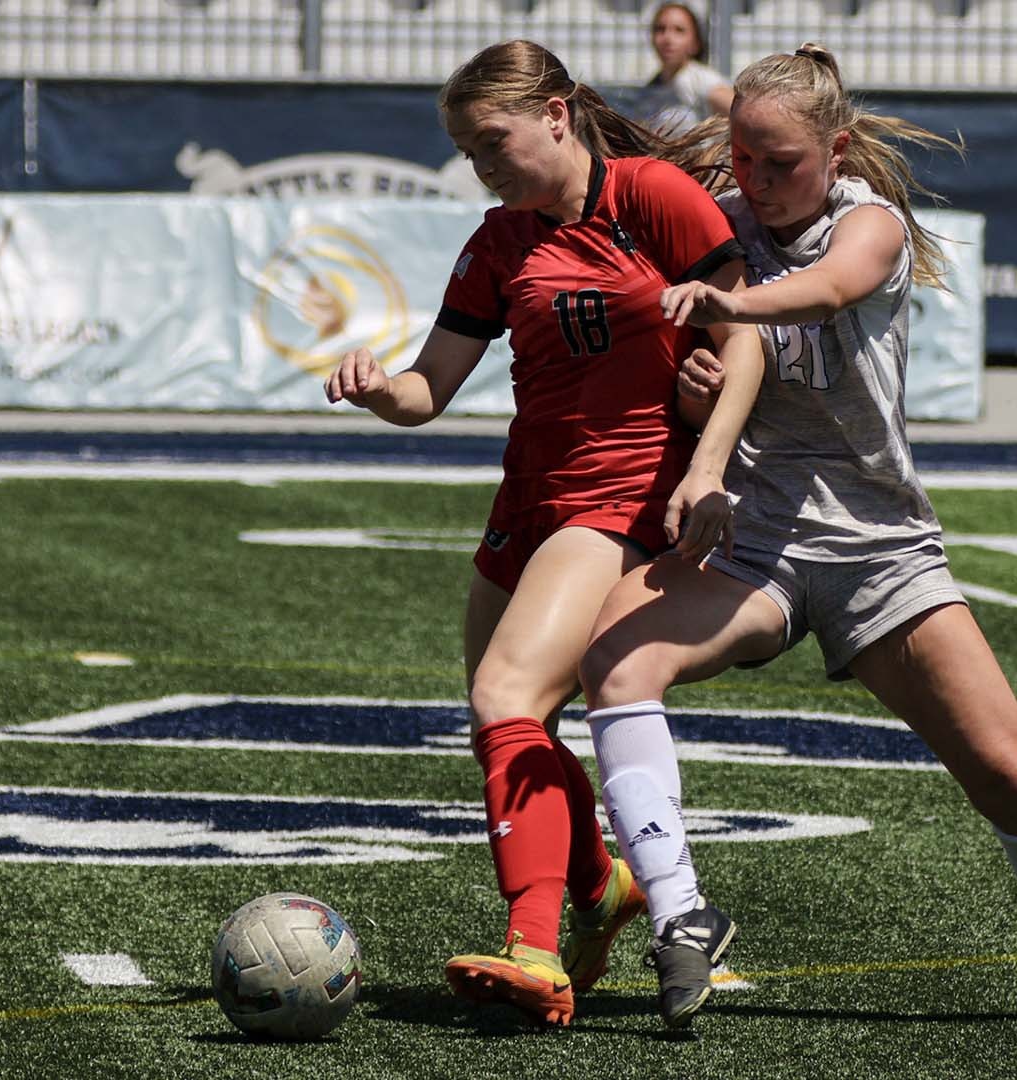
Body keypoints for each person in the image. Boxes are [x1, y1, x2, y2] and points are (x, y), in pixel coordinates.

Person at [576, 45, 1017, 1029]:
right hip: (757, 542)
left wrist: (731, 305)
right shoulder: (719, 230)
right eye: (745, 161)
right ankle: (681, 917)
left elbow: (821, 293)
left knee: (1009, 775)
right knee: (615, 657)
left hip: (879, 548)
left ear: (835, 149)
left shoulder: (870, 224)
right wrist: (695, 403)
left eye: (782, 164)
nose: (759, 183)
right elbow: (704, 372)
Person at [323, 39, 764, 1029]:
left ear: (557, 114)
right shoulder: (497, 238)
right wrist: (375, 388)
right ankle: (604, 886)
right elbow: (429, 388)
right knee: (507, 722)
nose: (482, 167)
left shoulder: (651, 197)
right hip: (527, 501)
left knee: (505, 692)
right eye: (468, 151)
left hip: (618, 500)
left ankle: (535, 948)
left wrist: (704, 466)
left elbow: (745, 340)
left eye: (493, 142)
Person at [631, 2, 734, 137]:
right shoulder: (651, 89)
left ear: (695, 43)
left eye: (679, 30)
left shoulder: (701, 79)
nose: (668, 38)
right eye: (660, 29)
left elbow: (739, 112)